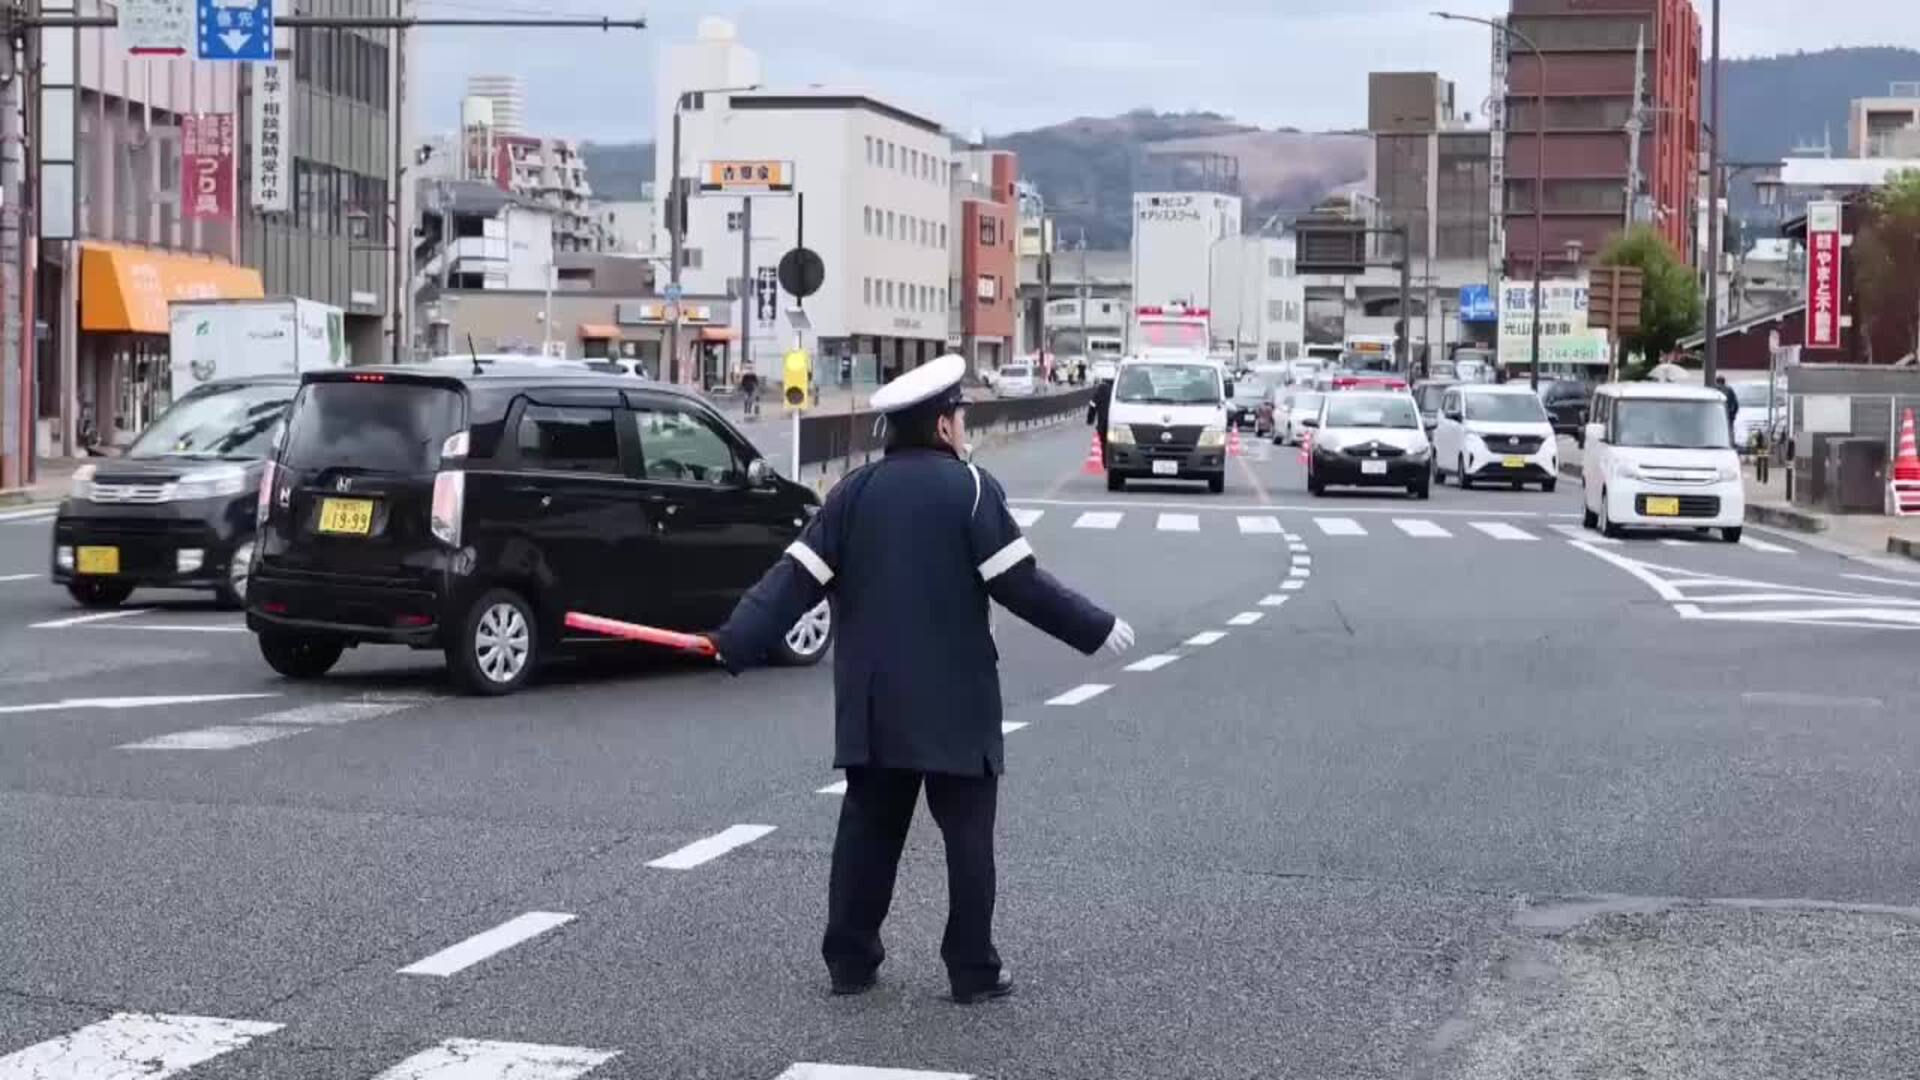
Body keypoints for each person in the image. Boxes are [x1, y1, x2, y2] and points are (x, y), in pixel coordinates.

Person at [705, 354, 1133, 1004]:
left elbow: (794, 580)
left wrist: (734, 641)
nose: (964, 428)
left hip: (875, 701)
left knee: (868, 829)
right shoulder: (970, 489)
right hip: (956, 698)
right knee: (966, 837)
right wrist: (1094, 626)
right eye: (960, 417)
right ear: (941, 426)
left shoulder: (853, 492)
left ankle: (850, 960)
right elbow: (1018, 584)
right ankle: (971, 969)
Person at [1715, 375, 1740, 446]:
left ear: (1717, 382)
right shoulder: (1729, 390)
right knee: (1729, 431)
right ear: (1724, 382)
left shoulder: (1713, 389)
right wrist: (1733, 414)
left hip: (1715, 416)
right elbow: (1736, 404)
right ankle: (1730, 444)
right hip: (1728, 415)